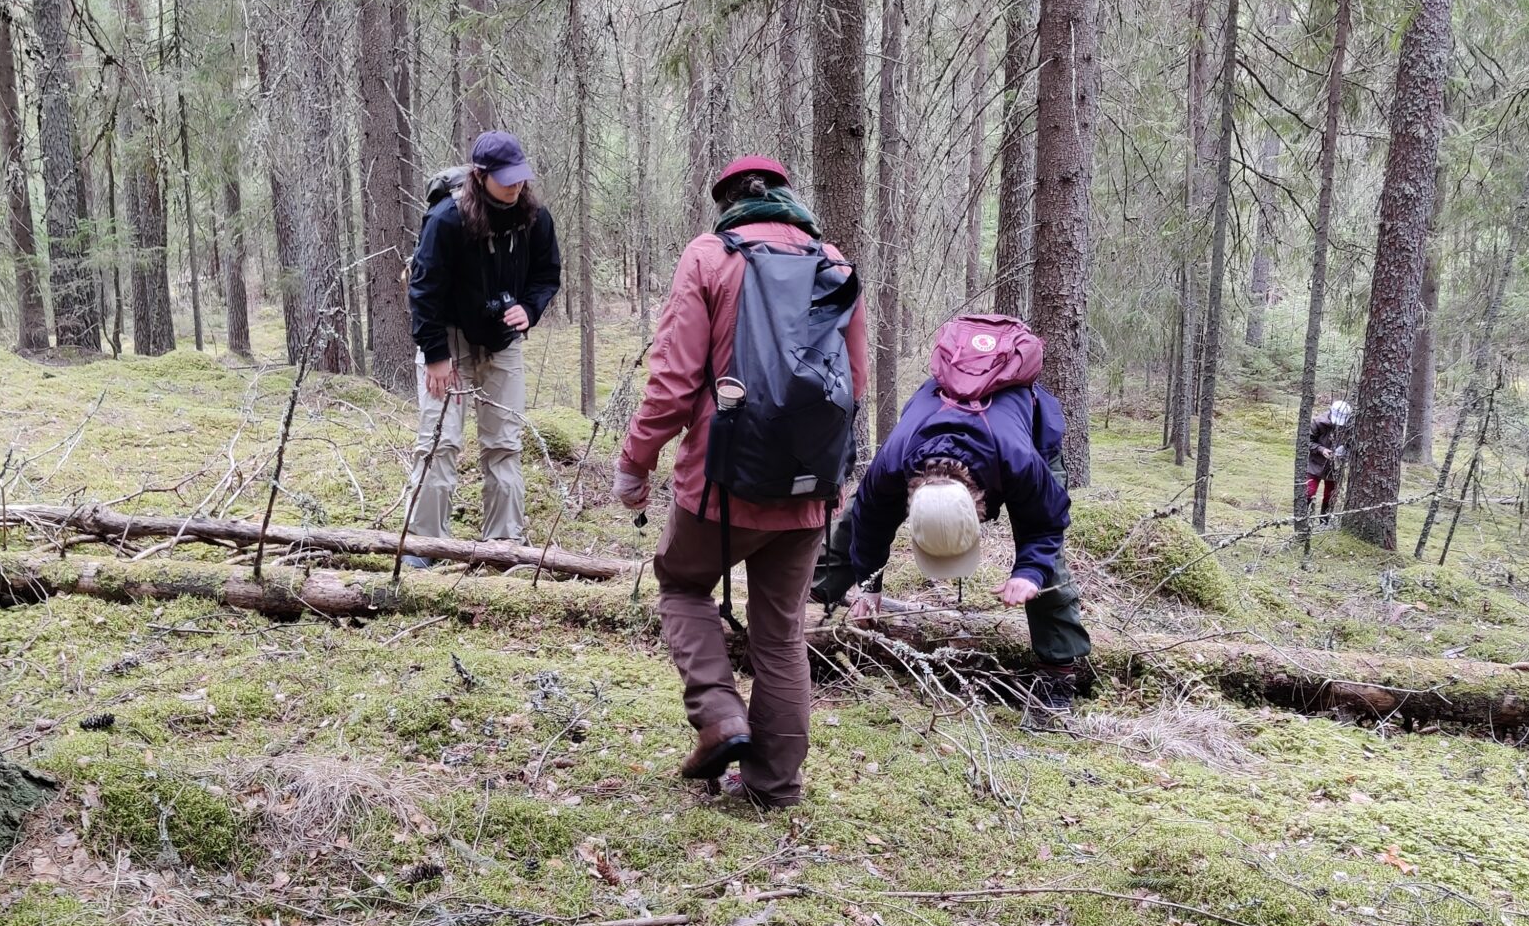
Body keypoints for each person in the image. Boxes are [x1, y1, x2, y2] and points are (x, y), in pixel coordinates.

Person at [613, 155, 868, 808]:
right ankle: (774, 785)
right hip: (811, 486)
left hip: (723, 483)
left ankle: (721, 717)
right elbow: (855, 387)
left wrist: (635, 463)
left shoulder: (708, 257)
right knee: (781, 633)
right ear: (789, 198)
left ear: (727, 203)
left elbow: (671, 386)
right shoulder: (832, 263)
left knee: (681, 583)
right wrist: (834, 478)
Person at [811, 314, 1091, 713]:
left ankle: (1058, 670)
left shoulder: (1022, 462)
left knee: (1047, 562)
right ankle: (818, 597)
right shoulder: (893, 462)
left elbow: (1046, 524)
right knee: (857, 517)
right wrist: (870, 587)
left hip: (1023, 430)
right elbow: (871, 523)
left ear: (980, 510)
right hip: (934, 436)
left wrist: (1029, 573)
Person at [404, 131, 562, 557]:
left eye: (520, 178)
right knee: (439, 441)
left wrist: (529, 309)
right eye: (506, 178)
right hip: (448, 339)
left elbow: (548, 274)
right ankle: (423, 545)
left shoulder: (535, 217)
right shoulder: (447, 220)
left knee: (505, 443)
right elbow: (423, 290)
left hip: (503, 341)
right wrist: (435, 356)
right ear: (480, 175)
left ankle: (504, 543)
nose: (515, 186)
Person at [1304, 398, 1353, 522]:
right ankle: (1303, 520)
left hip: (1335, 467)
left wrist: (1344, 450)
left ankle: (1324, 522)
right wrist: (1321, 450)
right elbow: (1307, 441)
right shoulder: (1317, 423)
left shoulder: (1350, 427)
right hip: (1315, 464)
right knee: (1309, 492)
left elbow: (1353, 444)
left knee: (1330, 496)